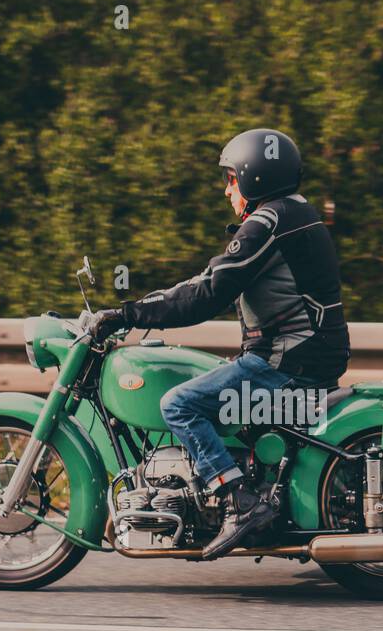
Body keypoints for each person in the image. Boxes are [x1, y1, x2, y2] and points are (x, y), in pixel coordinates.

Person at [89, 127, 350, 558]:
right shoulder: (296, 213)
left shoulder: (268, 224)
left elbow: (206, 294)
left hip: (285, 364)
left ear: (255, 177)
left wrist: (128, 314)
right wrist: (146, 306)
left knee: (179, 404)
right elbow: (211, 281)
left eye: (232, 178)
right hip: (306, 359)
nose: (227, 189)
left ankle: (237, 500)